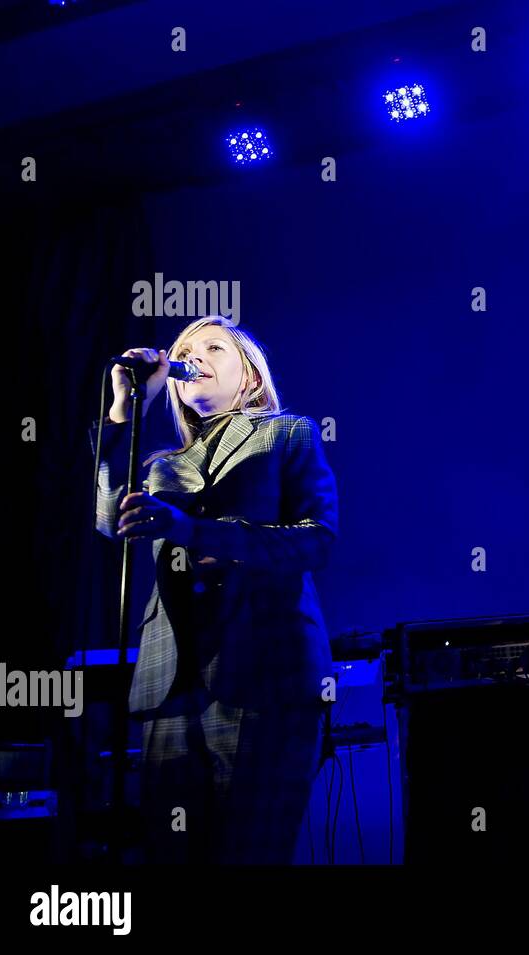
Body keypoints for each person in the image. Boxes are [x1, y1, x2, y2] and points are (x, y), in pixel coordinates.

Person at [94, 315, 337, 863]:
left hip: (266, 675)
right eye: (185, 350)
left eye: (214, 347)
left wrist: (189, 529)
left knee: (250, 852)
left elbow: (315, 541)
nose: (194, 355)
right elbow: (108, 518)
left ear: (250, 376)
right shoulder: (161, 466)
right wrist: (125, 411)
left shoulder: (286, 435)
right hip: (169, 683)